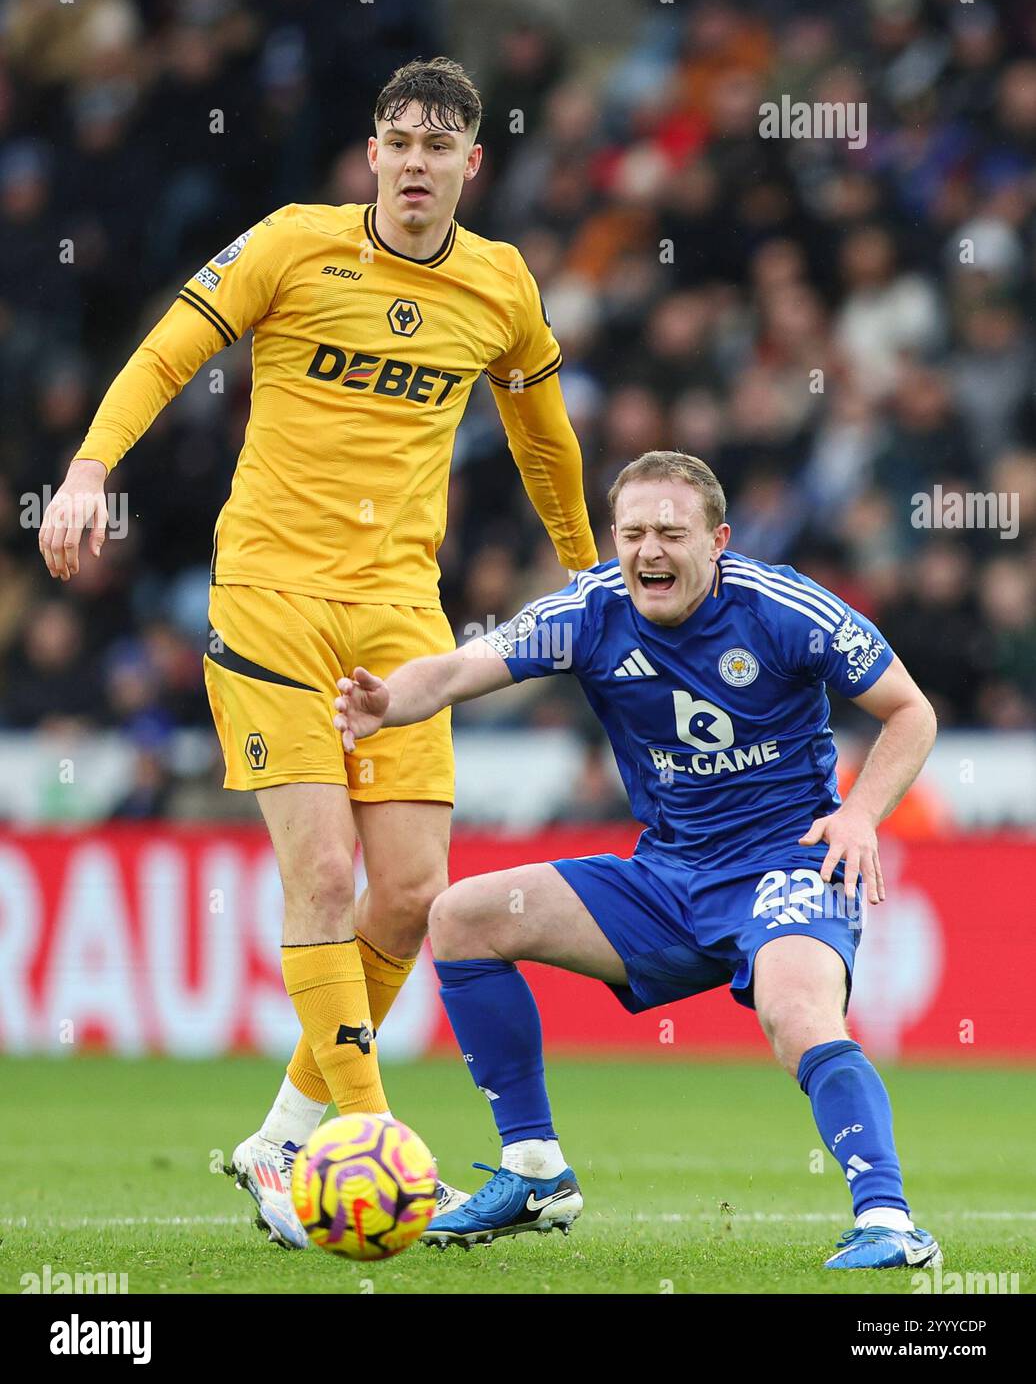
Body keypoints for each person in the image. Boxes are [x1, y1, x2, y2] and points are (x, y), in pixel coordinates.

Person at [37, 57, 598, 1249]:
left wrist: (588, 566)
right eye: (397, 140)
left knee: (406, 892)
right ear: (372, 152)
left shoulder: (500, 287)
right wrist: (89, 468)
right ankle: (375, 1146)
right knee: (324, 876)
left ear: (470, 166)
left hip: (401, 614)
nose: (414, 163)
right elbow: (167, 353)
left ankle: (284, 1134)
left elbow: (543, 437)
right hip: (272, 600)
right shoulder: (294, 244)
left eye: (439, 147)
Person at [333, 450, 942, 1270]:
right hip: (666, 880)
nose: (648, 550)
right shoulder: (590, 610)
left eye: (670, 532)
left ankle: (891, 1223)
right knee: (462, 917)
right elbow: (457, 671)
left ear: (719, 539)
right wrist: (387, 702)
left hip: (787, 867)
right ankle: (535, 1170)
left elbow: (910, 711)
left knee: (799, 1016)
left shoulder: (784, 607)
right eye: (632, 533)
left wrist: (860, 814)